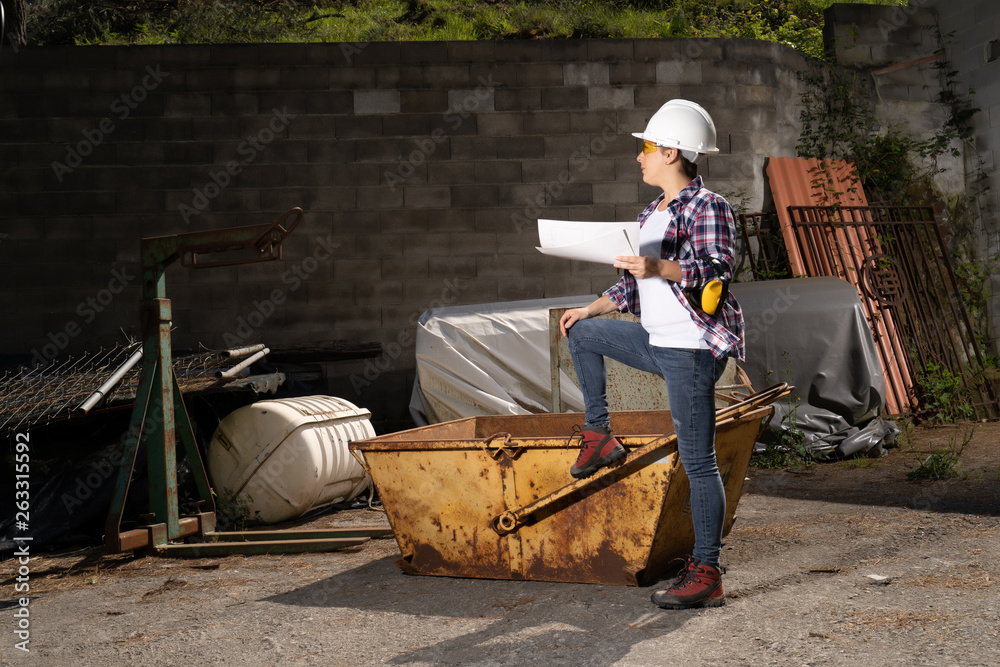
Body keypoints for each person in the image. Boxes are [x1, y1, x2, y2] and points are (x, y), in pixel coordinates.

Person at [559, 99, 745, 609]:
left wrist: (658, 268)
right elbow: (630, 285)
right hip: (656, 341)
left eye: (645, 148)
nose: (639, 157)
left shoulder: (709, 206)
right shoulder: (651, 212)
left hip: (691, 349)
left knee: (698, 460)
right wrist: (590, 307)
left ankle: (707, 572)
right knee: (583, 333)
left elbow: (714, 270)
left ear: (670, 151)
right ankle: (599, 437)